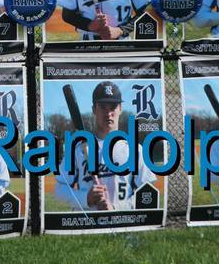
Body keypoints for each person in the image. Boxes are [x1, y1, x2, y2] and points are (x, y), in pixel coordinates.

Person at [55, 82, 156, 211]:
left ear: (120, 108)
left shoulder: (135, 149)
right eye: (103, 107)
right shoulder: (77, 149)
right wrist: (85, 198)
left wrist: (116, 207)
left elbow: (148, 193)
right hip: (87, 226)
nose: (108, 113)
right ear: (94, 109)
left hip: (123, 224)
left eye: (113, 106)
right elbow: (59, 190)